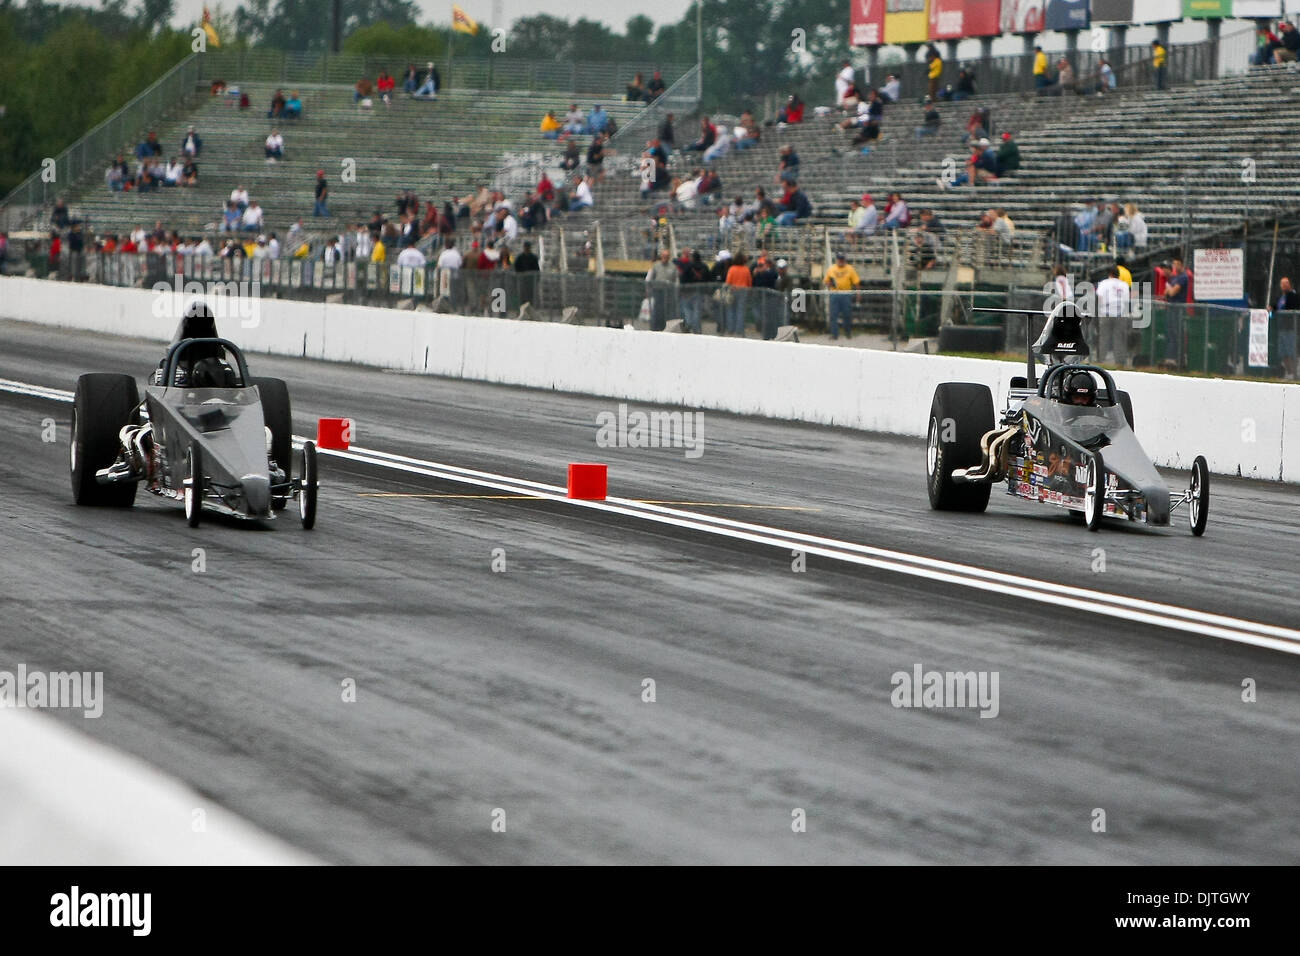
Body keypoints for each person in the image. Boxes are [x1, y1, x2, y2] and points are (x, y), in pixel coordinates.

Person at [1096, 267, 1132, 366]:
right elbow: (1126, 300)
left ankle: (1101, 360)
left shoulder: (1104, 283)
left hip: (1105, 313)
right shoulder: (1123, 285)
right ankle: (1120, 362)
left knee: (1104, 338)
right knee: (1119, 338)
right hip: (1120, 314)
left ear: (1110, 273)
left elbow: (1099, 297)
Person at [824, 252, 861, 341]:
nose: (841, 261)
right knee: (833, 315)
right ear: (837, 259)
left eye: (842, 259)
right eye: (839, 259)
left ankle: (847, 332)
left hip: (846, 294)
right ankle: (834, 334)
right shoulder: (831, 269)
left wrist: (858, 293)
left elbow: (856, 282)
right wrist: (830, 284)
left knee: (847, 314)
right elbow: (826, 281)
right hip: (834, 293)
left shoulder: (850, 269)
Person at [1162, 258, 1191, 366]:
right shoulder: (1174, 278)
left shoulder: (1183, 277)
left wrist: (1170, 290)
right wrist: (1170, 290)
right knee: (1170, 333)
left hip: (1178, 310)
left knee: (1176, 333)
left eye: (1177, 264)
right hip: (1170, 309)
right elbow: (1166, 293)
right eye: (1174, 264)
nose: (1175, 266)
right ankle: (1169, 358)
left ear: (1182, 265)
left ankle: (1177, 359)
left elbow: (1173, 292)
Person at [645, 248, 679, 332]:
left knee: (667, 310)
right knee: (657, 310)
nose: (665, 258)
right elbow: (650, 278)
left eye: (667, 256)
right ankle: (654, 327)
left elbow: (676, 280)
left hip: (668, 292)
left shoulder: (673, 267)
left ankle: (664, 327)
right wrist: (648, 289)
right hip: (657, 291)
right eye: (663, 256)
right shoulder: (656, 265)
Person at [679, 250, 710, 333]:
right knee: (697, 311)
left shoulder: (688, 266)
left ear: (693, 258)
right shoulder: (704, 266)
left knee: (687, 309)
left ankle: (689, 324)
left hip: (688, 292)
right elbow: (708, 278)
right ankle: (697, 329)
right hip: (700, 292)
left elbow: (682, 278)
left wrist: (682, 290)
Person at [1275, 277, 1300, 380]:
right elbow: (1278, 307)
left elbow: (1292, 307)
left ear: (1290, 285)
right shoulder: (1282, 297)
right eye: (1282, 284)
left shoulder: (1293, 296)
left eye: (1286, 283)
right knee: (1283, 352)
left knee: (1291, 351)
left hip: (1290, 328)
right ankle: (1289, 373)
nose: (1284, 286)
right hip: (1282, 328)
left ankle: (1294, 373)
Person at [723, 252, 753, 336]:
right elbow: (749, 282)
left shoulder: (732, 268)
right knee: (740, 311)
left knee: (731, 310)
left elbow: (728, 281)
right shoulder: (746, 269)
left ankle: (730, 329)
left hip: (733, 290)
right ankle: (739, 330)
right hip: (743, 291)